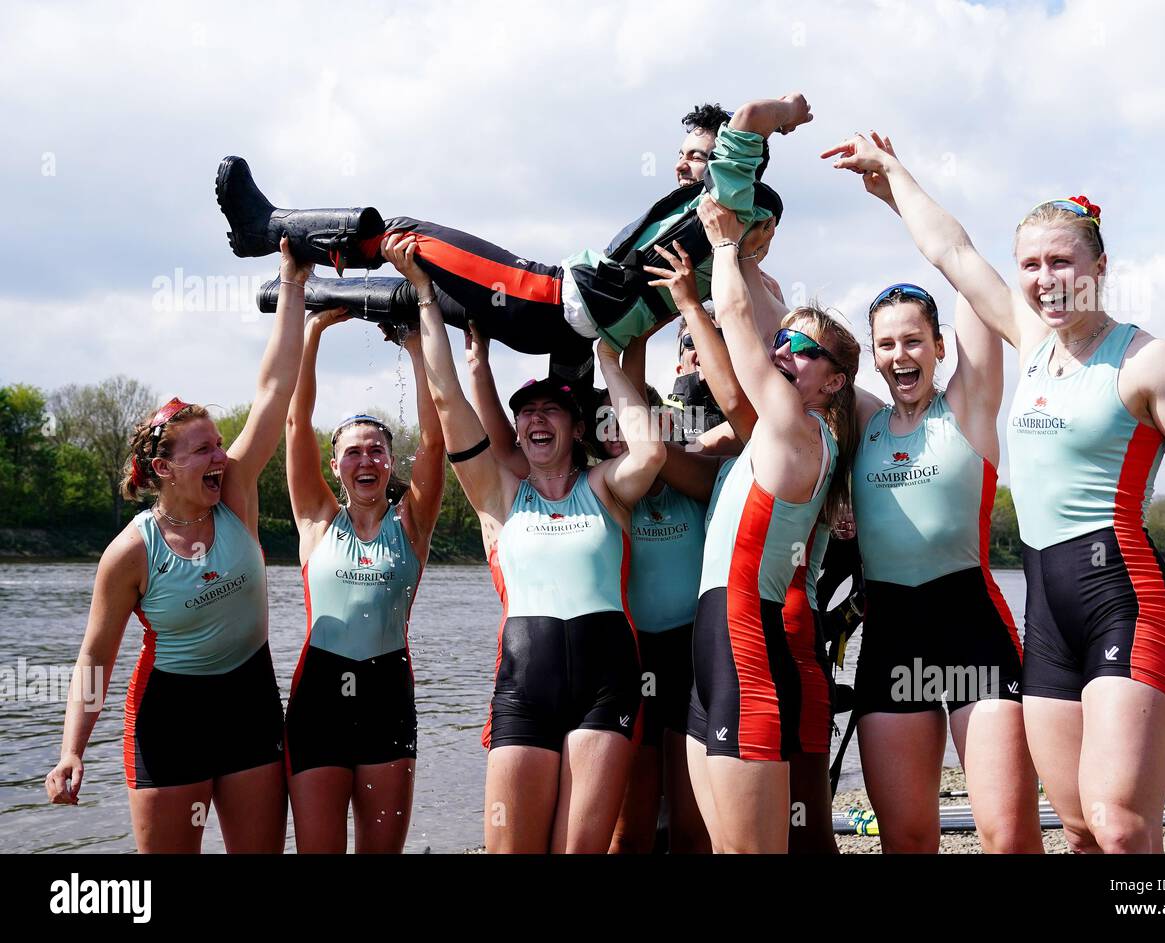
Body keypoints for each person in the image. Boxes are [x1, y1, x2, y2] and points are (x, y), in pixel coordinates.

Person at [822, 131, 1165, 853]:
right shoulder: (1030, 341)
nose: (1044, 277)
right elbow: (955, 253)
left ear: (1100, 266)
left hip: (1125, 598)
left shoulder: (1148, 360)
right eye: (1030, 263)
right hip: (1049, 620)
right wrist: (895, 176)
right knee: (1084, 831)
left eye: (1062, 260)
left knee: (1121, 823)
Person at [385, 232, 666, 853]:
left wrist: (610, 354)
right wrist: (427, 297)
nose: (537, 419)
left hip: (607, 686)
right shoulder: (499, 496)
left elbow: (648, 449)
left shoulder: (607, 489)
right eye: (527, 412)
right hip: (523, 686)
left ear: (575, 428)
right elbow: (448, 399)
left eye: (553, 411)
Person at [222, 96, 811, 387]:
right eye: (681, 156)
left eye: (700, 158)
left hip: (543, 298)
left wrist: (788, 111)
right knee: (417, 295)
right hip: (557, 328)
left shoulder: (734, 201)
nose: (684, 168)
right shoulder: (708, 240)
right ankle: (293, 288)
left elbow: (752, 117)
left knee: (409, 236)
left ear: (737, 167)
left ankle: (267, 229)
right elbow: (638, 324)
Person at [44, 238, 310, 853]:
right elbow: (95, 659)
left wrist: (292, 280)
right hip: (169, 719)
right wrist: (70, 751)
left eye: (220, 444)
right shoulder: (131, 552)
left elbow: (275, 387)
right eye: (204, 450)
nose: (221, 456)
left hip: (248, 706)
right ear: (164, 469)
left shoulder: (236, 492)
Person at [647, 196, 860, 853]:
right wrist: (685, 304)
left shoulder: (800, 433)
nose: (784, 352)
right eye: (783, 341)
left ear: (833, 383)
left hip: (748, 651)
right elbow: (679, 438)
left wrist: (723, 244)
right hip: (713, 658)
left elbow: (738, 326)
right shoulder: (766, 437)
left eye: (802, 347)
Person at [459, 325, 711, 853]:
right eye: (608, 424)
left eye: (630, 420)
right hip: (624, 657)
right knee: (627, 826)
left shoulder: (687, 475)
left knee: (691, 823)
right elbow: (501, 445)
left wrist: (629, 339)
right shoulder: (601, 486)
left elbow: (653, 428)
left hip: (687, 654)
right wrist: (478, 367)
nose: (619, 429)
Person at [848, 280, 1042, 853]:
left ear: (940, 345)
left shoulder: (968, 406)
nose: (900, 355)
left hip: (972, 634)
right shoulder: (864, 421)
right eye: (886, 344)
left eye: (914, 340)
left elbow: (969, 275)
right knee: (906, 839)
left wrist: (901, 194)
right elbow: (797, 348)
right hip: (890, 641)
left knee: (1006, 837)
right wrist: (739, 252)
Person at [281, 310, 446, 852]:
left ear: (390, 461)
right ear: (335, 466)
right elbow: (294, 425)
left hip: (386, 699)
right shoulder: (315, 522)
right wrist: (312, 335)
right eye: (352, 452)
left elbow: (436, 439)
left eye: (376, 449)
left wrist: (418, 350)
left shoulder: (413, 524)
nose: (365, 459)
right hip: (317, 705)